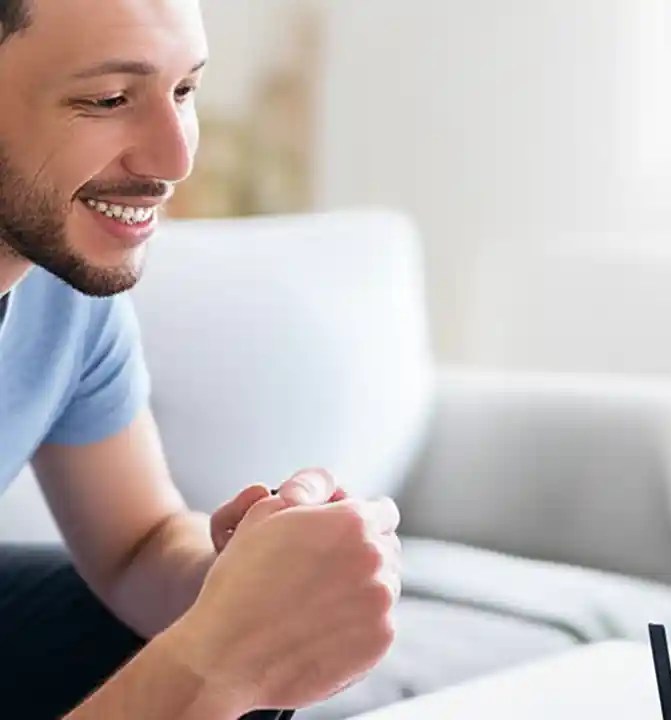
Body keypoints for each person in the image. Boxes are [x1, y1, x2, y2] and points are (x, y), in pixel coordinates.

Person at [0, 0, 404, 717]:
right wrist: (215, 658)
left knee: (181, 633)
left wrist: (255, 575)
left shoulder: (64, 291)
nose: (177, 160)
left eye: (184, 89)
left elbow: (139, 547)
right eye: (109, 99)